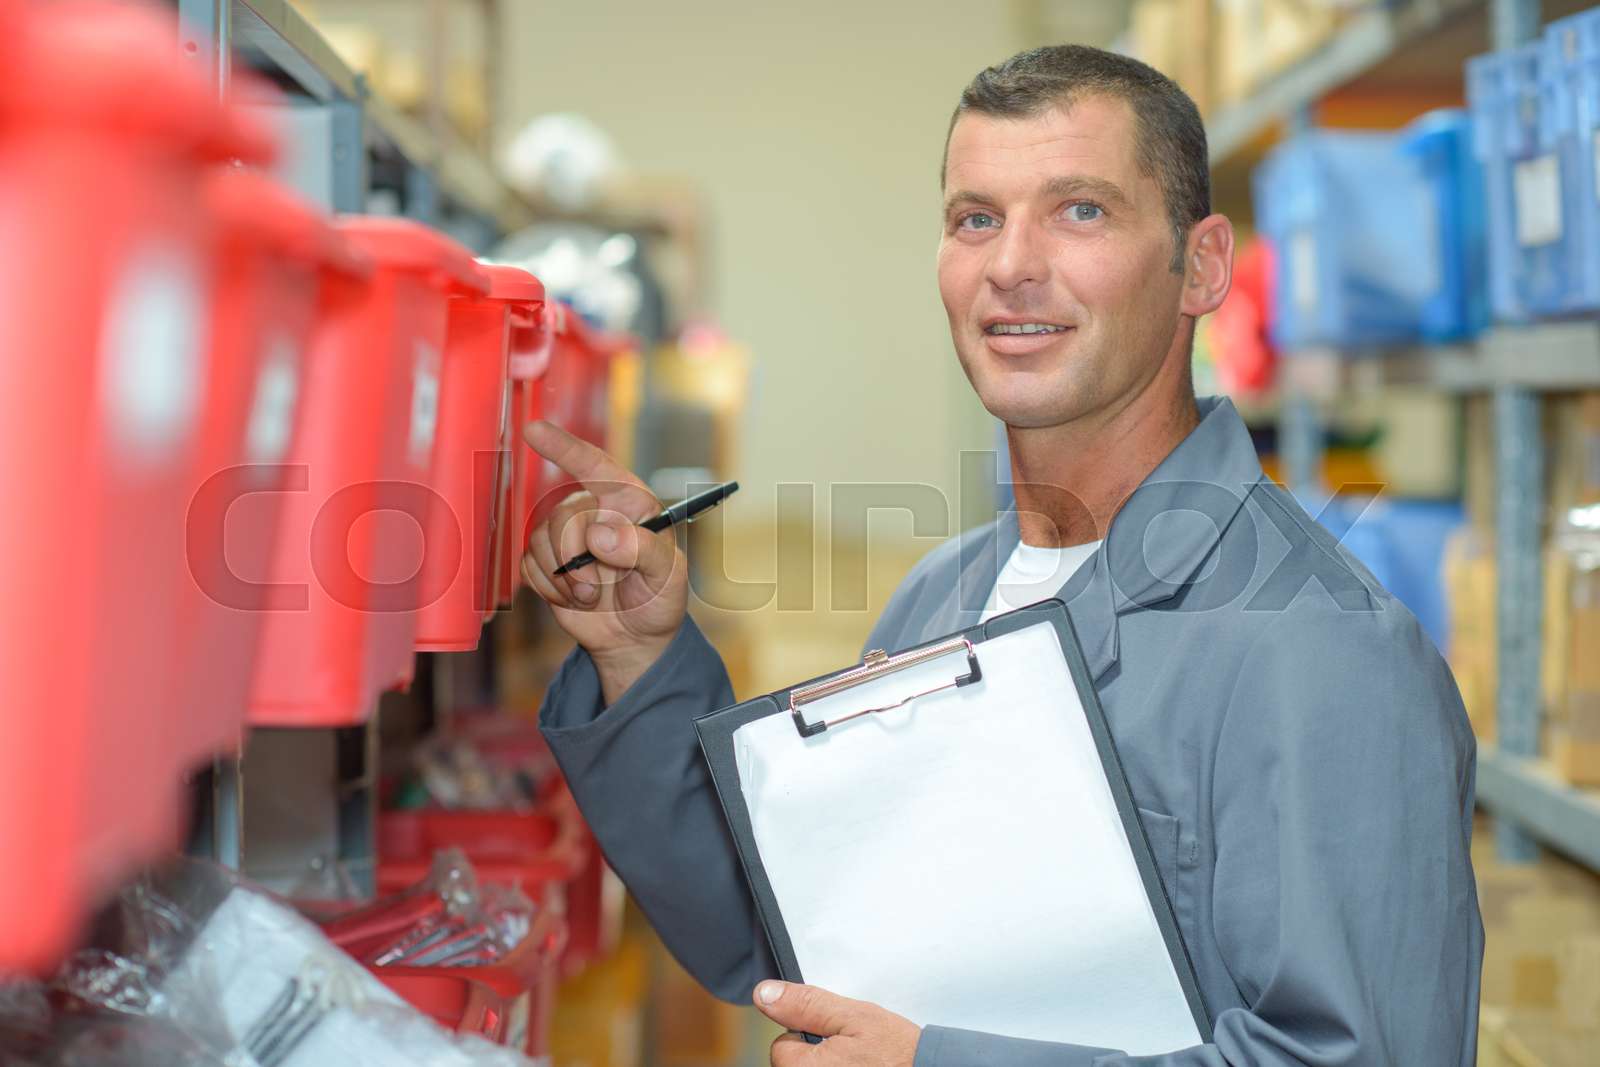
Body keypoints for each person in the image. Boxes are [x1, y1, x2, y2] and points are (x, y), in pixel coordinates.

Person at [520, 44, 1483, 1067]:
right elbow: (796, 942)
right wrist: (637, 655)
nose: (1011, 263)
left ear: (1199, 265)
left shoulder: (1322, 651)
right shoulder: (942, 597)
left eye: (1080, 211)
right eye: (975, 217)